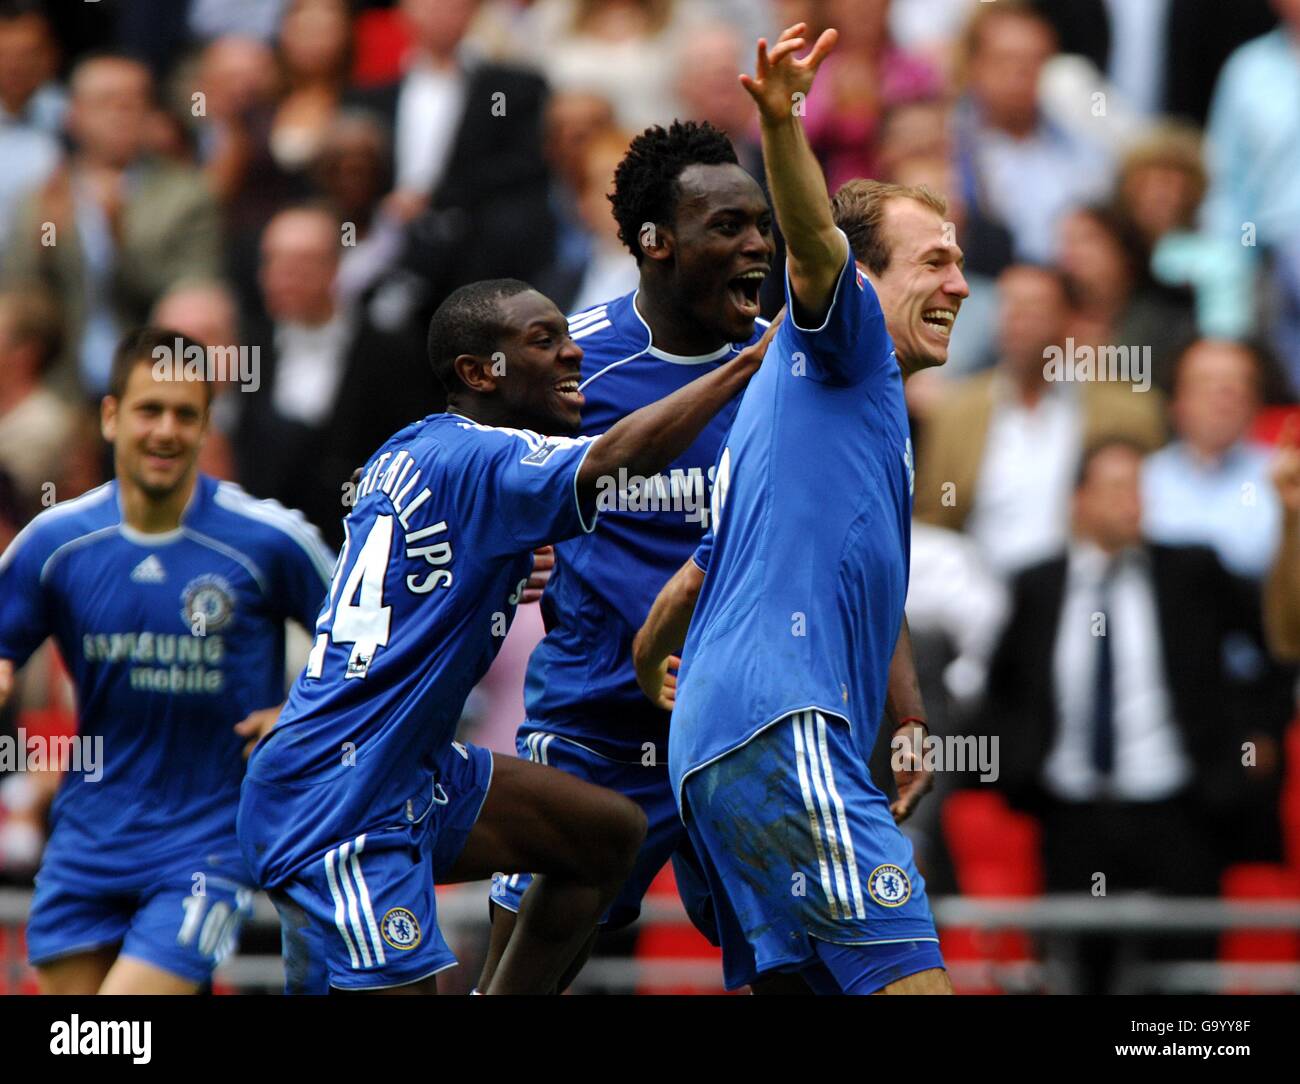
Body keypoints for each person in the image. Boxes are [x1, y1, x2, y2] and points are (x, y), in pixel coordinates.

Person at [236, 277, 780, 995]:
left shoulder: (413, 447)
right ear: (476, 373)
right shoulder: (484, 458)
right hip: (342, 799)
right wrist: (745, 362)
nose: (571, 353)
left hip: (405, 768)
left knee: (605, 834)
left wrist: (492, 561)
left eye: (567, 335)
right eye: (542, 340)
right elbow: (613, 461)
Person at [635, 23, 967, 995]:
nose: (957, 282)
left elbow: (680, 596)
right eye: (934, 261)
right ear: (863, 282)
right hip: (786, 730)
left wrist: (904, 714)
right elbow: (817, 238)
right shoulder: (847, 341)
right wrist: (782, 123)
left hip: (717, 747)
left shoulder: (795, 413)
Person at [479, 118, 777, 991]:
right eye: (727, 226)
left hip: (744, 725)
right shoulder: (569, 363)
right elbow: (475, 491)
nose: (757, 242)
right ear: (656, 243)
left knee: (794, 972)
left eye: (761, 222)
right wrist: (515, 552)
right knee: (516, 984)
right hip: (595, 727)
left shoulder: (789, 369)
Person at [0, 327, 334, 993]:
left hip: (206, 846)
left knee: (118, 1034)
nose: (165, 431)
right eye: (149, 409)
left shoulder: (269, 539)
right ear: (110, 415)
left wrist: (303, 714)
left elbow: (371, 641)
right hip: (85, 843)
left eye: (186, 414)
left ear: (206, 425)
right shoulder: (55, 543)